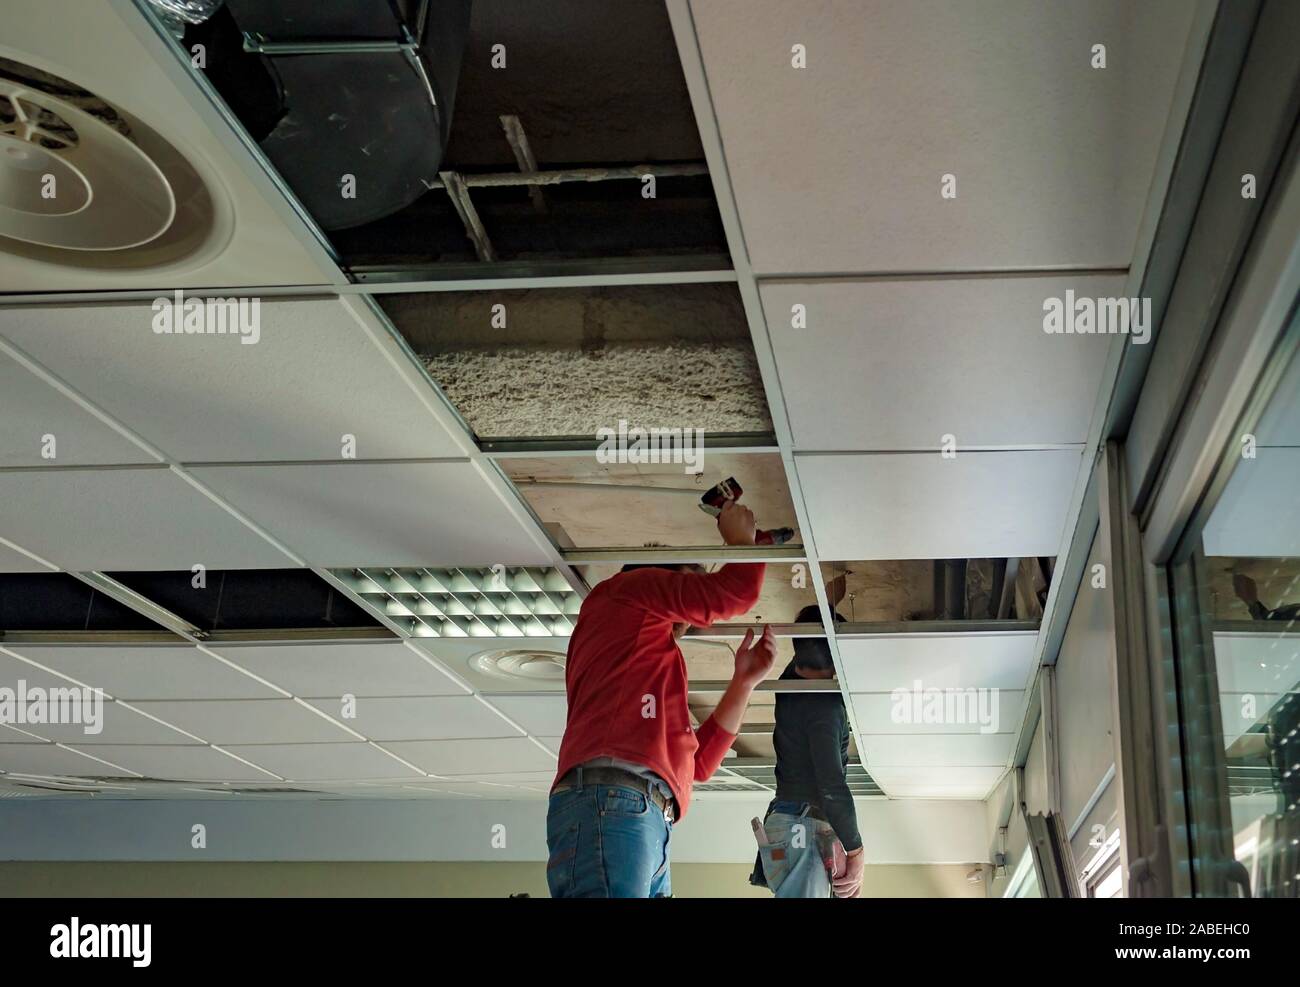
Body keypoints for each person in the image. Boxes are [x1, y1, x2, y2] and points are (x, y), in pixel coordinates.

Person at [546, 501, 778, 897]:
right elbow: (730, 594)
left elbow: (693, 764)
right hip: (624, 809)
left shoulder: (642, 651)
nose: (692, 610)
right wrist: (743, 542)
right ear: (658, 575)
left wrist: (743, 681)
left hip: (621, 808)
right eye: (692, 583)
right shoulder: (625, 593)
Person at [751, 574, 865, 898]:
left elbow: (810, 646)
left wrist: (824, 613)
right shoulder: (825, 708)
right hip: (795, 823)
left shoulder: (792, 679)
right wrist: (855, 851)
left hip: (797, 824)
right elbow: (831, 784)